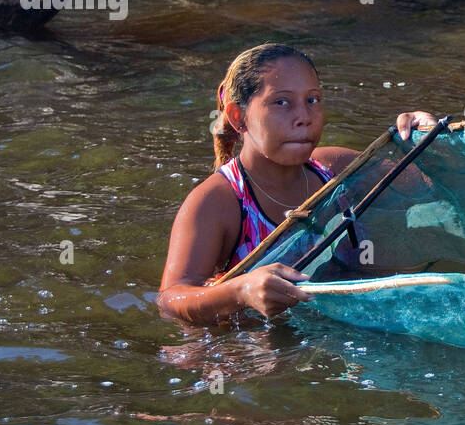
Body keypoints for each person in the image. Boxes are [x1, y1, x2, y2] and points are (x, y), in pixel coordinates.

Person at [158, 42, 436, 323]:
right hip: (267, 348)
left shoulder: (337, 170)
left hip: (356, 327)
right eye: (281, 102)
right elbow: (170, 300)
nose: (304, 117)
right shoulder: (218, 201)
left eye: (312, 100)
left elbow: (432, 191)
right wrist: (240, 291)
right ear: (238, 117)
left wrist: (428, 142)